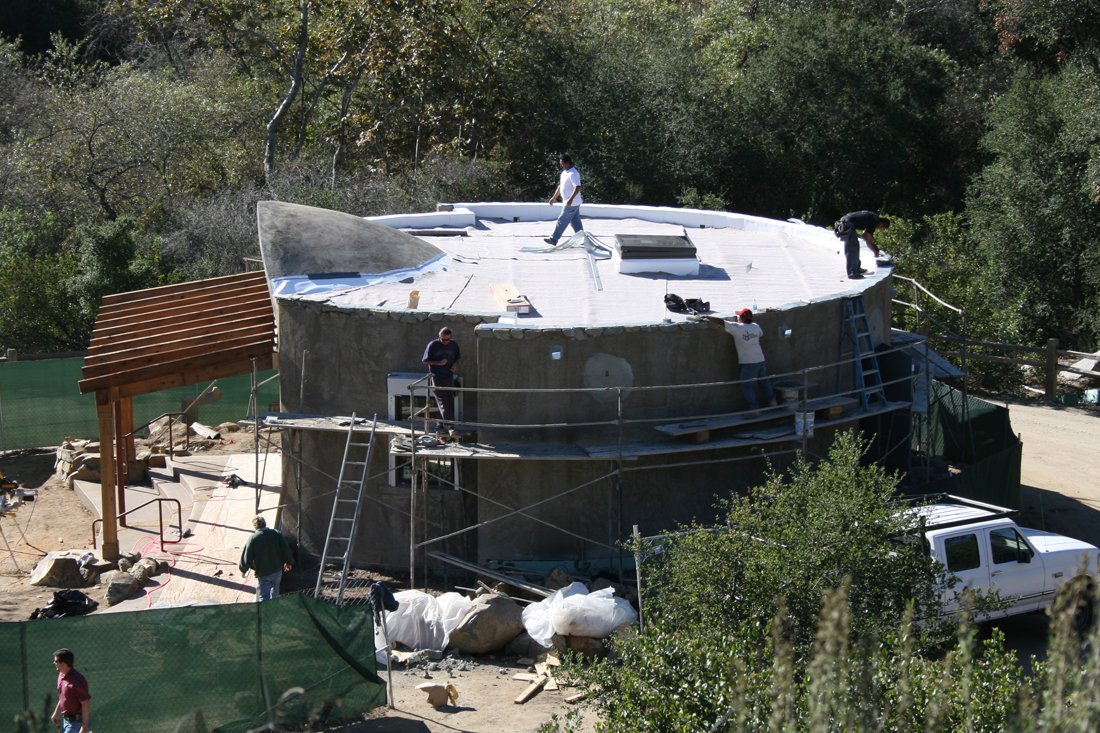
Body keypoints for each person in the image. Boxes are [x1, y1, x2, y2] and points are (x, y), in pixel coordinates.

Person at [702, 308, 777, 415]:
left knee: (748, 386)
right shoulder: (756, 326)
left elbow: (721, 322)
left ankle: (754, 410)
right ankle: (772, 402)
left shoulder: (737, 328)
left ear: (742, 318)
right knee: (764, 382)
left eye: (738, 316)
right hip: (760, 359)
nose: (737, 317)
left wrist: (706, 317)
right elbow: (761, 334)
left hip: (749, 362)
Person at [238, 515, 293, 602]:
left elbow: (247, 556)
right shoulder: (276, 534)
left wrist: (243, 569)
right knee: (275, 593)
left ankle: (264, 614)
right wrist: (288, 562)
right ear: (265, 524)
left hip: (263, 573)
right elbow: (285, 549)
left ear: (255, 526)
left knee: (264, 597)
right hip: (277, 570)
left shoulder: (253, 539)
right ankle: (275, 611)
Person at [422, 327, 461, 435]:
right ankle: (450, 426)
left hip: (448, 376)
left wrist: (455, 365)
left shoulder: (453, 344)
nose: (446, 342)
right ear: (439, 337)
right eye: (443, 340)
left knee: (448, 401)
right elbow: (425, 360)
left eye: (448, 340)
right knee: (442, 401)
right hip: (437, 376)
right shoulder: (432, 345)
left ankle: (439, 425)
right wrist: (438, 363)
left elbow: (458, 357)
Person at [836, 210, 889, 279]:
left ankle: (857, 268)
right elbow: (868, 241)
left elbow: (865, 234)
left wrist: (870, 242)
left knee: (856, 247)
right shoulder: (873, 222)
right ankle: (852, 273)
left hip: (848, 223)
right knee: (852, 250)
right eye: (882, 228)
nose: (880, 229)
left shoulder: (873, 218)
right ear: (882, 224)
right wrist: (875, 252)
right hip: (847, 225)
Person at [544, 155, 583, 245]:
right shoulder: (564, 173)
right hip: (570, 203)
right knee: (575, 222)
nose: (561, 166)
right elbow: (561, 186)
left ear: (568, 163)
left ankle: (553, 239)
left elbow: (577, 186)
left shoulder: (573, 173)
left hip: (571, 203)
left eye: (562, 164)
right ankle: (582, 239)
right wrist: (554, 198)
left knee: (562, 220)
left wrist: (570, 199)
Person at [52, 648, 90, 733]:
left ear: (63, 663)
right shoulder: (61, 675)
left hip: (77, 722)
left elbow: (85, 702)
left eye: (56, 661)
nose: (54, 663)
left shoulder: (77, 679)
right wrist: (56, 713)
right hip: (66, 721)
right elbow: (63, 697)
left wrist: (84, 727)